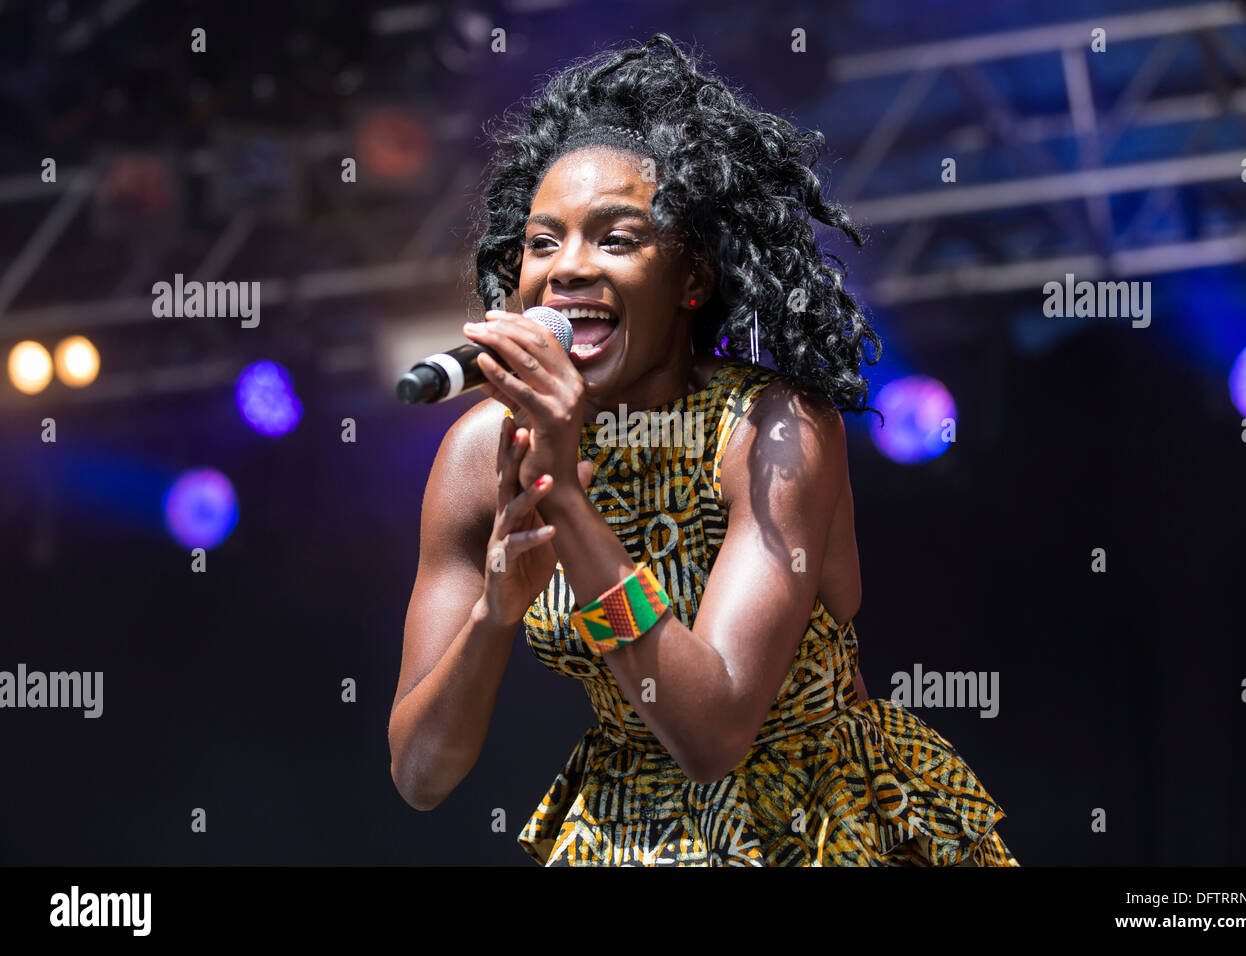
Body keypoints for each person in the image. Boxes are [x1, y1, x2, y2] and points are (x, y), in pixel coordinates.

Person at [388, 33, 1018, 866]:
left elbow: (714, 731)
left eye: (616, 239)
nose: (568, 267)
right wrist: (493, 613)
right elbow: (421, 775)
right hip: (631, 834)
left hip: (823, 825)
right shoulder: (480, 452)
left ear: (692, 281)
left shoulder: (775, 428)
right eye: (543, 243)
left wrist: (567, 503)